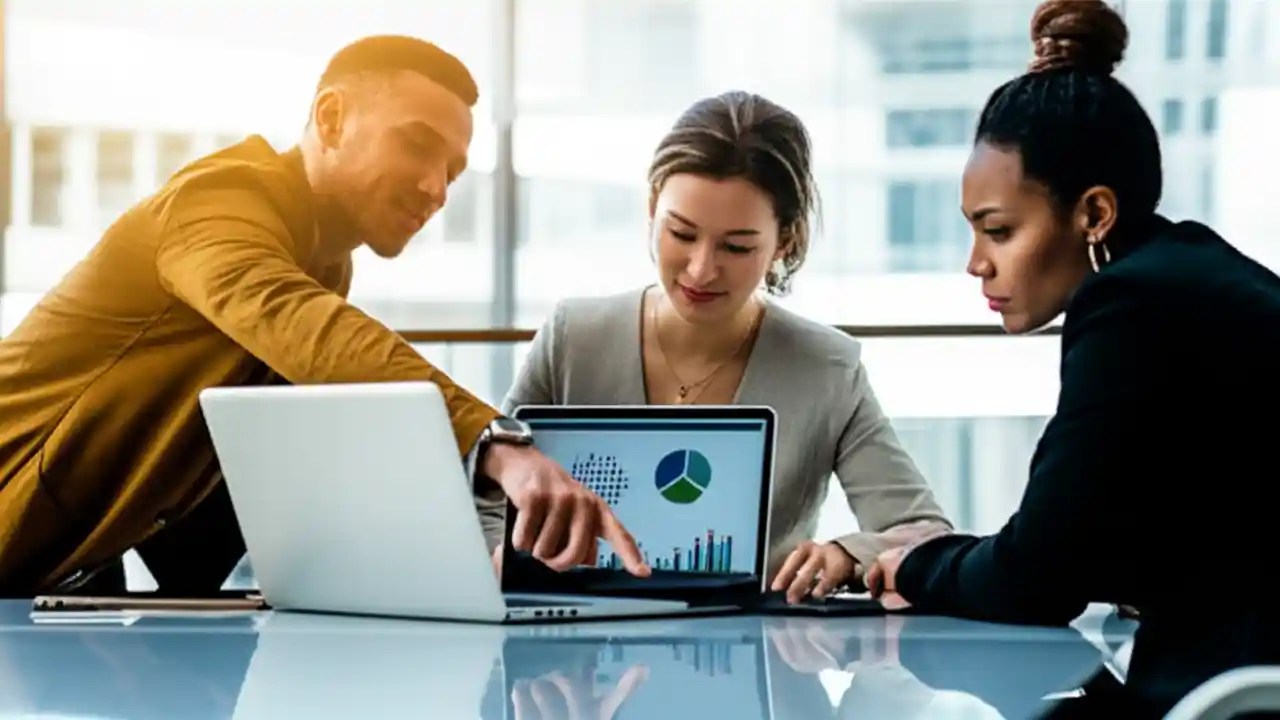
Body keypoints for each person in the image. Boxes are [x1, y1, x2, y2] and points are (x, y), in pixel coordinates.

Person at [0, 35, 648, 597]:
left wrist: (453, 564)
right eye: (417, 147)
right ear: (332, 118)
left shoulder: (325, 259)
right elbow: (304, 327)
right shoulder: (218, 204)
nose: (436, 189)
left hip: (69, 569)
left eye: (451, 170)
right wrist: (499, 444)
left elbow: (288, 449)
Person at [864, 1, 1280, 716]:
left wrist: (921, 562)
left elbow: (1039, 578)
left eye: (998, 231)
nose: (977, 265)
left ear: (1093, 214)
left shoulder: (1130, 304)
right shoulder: (1195, 274)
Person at [488, 90, 951, 601]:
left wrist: (845, 556)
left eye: (737, 247)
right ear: (651, 208)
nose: (701, 269)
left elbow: (923, 530)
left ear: (787, 241)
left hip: (760, 654)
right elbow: (487, 494)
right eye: (681, 234)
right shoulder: (574, 337)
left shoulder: (826, 367)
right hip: (576, 658)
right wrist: (502, 569)